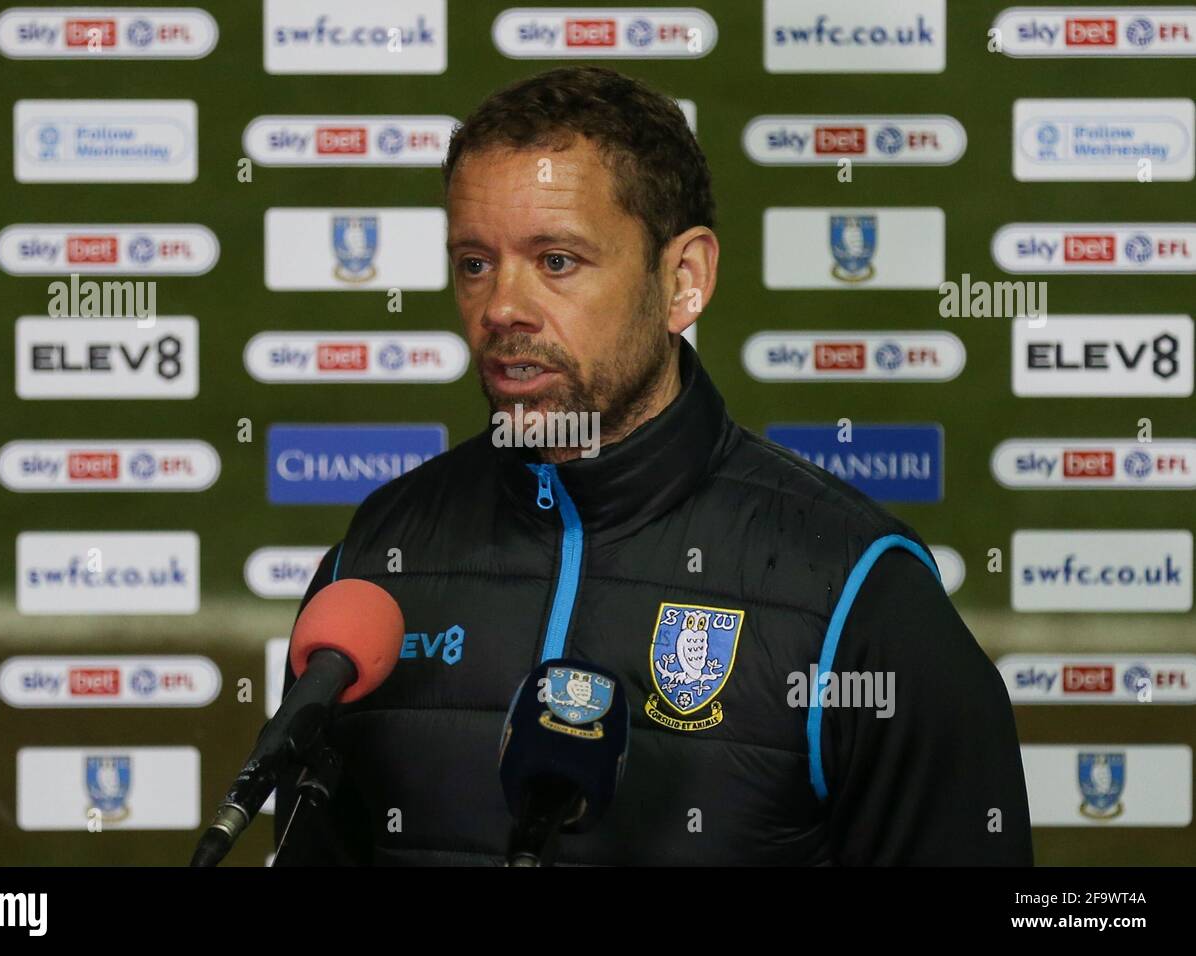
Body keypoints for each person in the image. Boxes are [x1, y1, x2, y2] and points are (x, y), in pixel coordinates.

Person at [273, 66, 1033, 865]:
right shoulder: (378, 560)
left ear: (683, 281)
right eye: (474, 262)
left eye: (557, 260)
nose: (501, 306)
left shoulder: (857, 592)